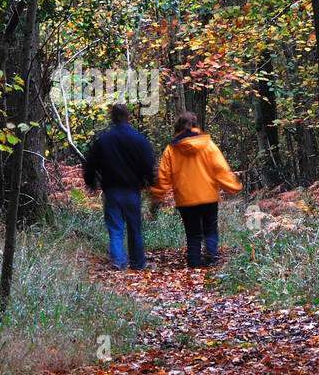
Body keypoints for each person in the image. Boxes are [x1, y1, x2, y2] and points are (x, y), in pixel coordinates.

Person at [150, 111, 242, 268]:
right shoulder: (208, 145)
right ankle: (211, 259)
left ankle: (194, 267)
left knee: (193, 234)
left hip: (185, 199)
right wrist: (233, 186)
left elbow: (163, 175)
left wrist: (157, 192)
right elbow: (220, 168)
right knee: (210, 229)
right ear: (195, 125)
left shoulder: (171, 149)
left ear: (178, 127)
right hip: (208, 196)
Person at [83, 103, 156, 270]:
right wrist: (151, 184)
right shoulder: (138, 139)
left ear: (112, 117)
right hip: (132, 190)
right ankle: (138, 263)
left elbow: (91, 163)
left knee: (115, 227)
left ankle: (119, 261)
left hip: (112, 189)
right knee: (134, 227)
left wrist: (91, 182)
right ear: (128, 117)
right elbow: (148, 163)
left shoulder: (103, 140)